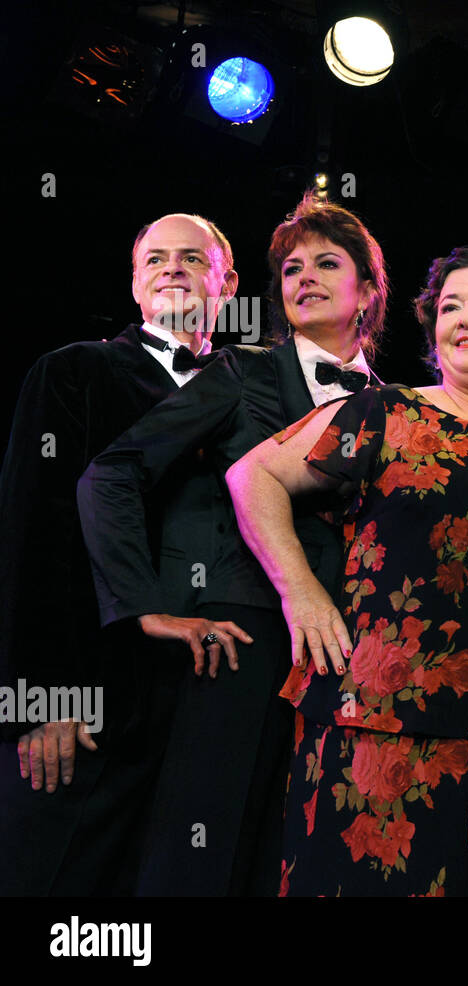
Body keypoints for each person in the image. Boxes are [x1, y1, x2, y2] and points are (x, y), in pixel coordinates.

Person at [75, 196, 388, 895]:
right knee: (200, 849)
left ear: (367, 291)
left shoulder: (396, 404)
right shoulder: (243, 372)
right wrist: (144, 605)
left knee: (292, 851)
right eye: (291, 268)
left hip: (348, 655)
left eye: (326, 264)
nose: (303, 277)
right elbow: (112, 474)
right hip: (240, 636)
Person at [227, 245, 468, 896]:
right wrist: (302, 593)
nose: (466, 318)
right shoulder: (386, 412)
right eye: (451, 306)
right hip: (367, 725)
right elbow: (253, 474)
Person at [0, 213, 239, 894]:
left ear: (227, 282)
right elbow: (30, 538)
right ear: (135, 284)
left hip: (198, 712)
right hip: (88, 706)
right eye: (155, 259)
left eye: (191, 258)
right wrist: (42, 697)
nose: (172, 269)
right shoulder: (76, 371)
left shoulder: (252, 390)